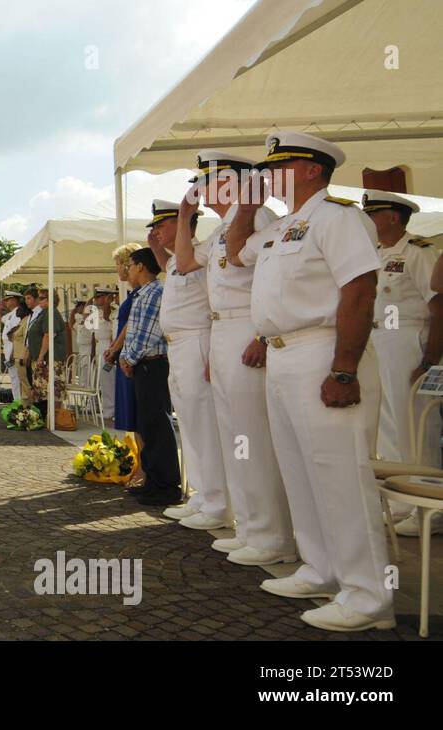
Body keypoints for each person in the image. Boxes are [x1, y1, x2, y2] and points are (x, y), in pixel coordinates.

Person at [237, 131, 392, 632]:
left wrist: (344, 368)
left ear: (310, 169)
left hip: (322, 351)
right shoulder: (285, 227)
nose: (269, 173)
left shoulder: (339, 217)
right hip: (283, 355)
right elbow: (239, 251)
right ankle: (322, 567)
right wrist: (246, 203)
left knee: (340, 475)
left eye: (280, 164)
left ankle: (370, 597)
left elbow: (360, 291)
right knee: (301, 471)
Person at [172, 150, 298, 566]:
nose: (200, 190)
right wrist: (184, 218)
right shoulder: (222, 229)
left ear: (230, 184)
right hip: (223, 330)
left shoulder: (258, 220)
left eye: (206, 182)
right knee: (234, 437)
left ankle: (271, 535)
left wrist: (263, 334)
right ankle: (249, 527)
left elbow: (270, 281)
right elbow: (187, 262)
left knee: (252, 437)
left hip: (248, 327)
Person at [146, 198, 234, 536]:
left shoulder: (200, 258)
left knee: (205, 427)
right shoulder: (174, 264)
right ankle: (201, 494)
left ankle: (217, 502)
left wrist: (213, 352)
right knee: (191, 427)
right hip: (179, 348)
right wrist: (157, 252)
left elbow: (212, 304)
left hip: (199, 343)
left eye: (163, 225)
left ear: (184, 225)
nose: (156, 231)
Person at [364, 190, 443, 537]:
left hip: (410, 341)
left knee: (416, 426)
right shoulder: (377, 253)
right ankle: (401, 500)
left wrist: (430, 358)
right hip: (380, 340)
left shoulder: (418, 252)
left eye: (373, 214)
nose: (368, 221)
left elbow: (438, 304)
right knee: (389, 425)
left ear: (393, 217)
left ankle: (429, 509)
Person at [119, 247, 182, 506]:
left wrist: (128, 357)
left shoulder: (155, 292)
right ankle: (153, 481)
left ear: (141, 267)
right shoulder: (141, 293)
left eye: (130, 265)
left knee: (157, 425)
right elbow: (134, 331)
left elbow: (150, 331)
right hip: (141, 364)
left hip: (152, 364)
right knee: (147, 425)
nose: (128, 271)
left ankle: (167, 485)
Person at [104, 243, 143, 438]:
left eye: (118, 264)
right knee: (132, 414)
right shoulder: (132, 293)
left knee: (137, 413)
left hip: (131, 355)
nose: (117, 269)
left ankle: (143, 465)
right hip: (122, 353)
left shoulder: (140, 293)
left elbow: (130, 325)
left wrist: (114, 348)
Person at [27, 287, 69, 419]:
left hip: (51, 359)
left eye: (42, 298)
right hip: (42, 359)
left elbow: (48, 335)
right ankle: (47, 417)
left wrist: (40, 356)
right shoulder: (43, 313)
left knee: (54, 389)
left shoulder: (52, 313)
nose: (39, 300)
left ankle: (56, 418)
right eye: (38, 297)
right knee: (42, 390)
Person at [91, 287, 118, 420]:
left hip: (108, 345)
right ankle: (107, 407)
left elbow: (108, 317)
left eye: (100, 296)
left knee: (109, 379)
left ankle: (112, 409)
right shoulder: (97, 312)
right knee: (103, 380)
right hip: (98, 346)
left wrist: (108, 302)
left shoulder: (111, 309)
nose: (96, 299)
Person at [0, 291, 25, 400]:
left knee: (18, 380)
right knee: (14, 380)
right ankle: (17, 402)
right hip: (9, 352)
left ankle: (19, 404)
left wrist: (13, 354)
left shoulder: (18, 313)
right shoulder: (11, 314)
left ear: (15, 300)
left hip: (15, 353)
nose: (5, 302)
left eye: (8, 300)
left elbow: (16, 336)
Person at [70, 300, 92, 386]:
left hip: (88, 349)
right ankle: (85, 396)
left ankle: (91, 397)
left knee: (89, 374)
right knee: (83, 374)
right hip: (81, 350)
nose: (77, 308)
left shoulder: (90, 320)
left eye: (79, 306)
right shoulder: (79, 321)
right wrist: (73, 312)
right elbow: (71, 325)